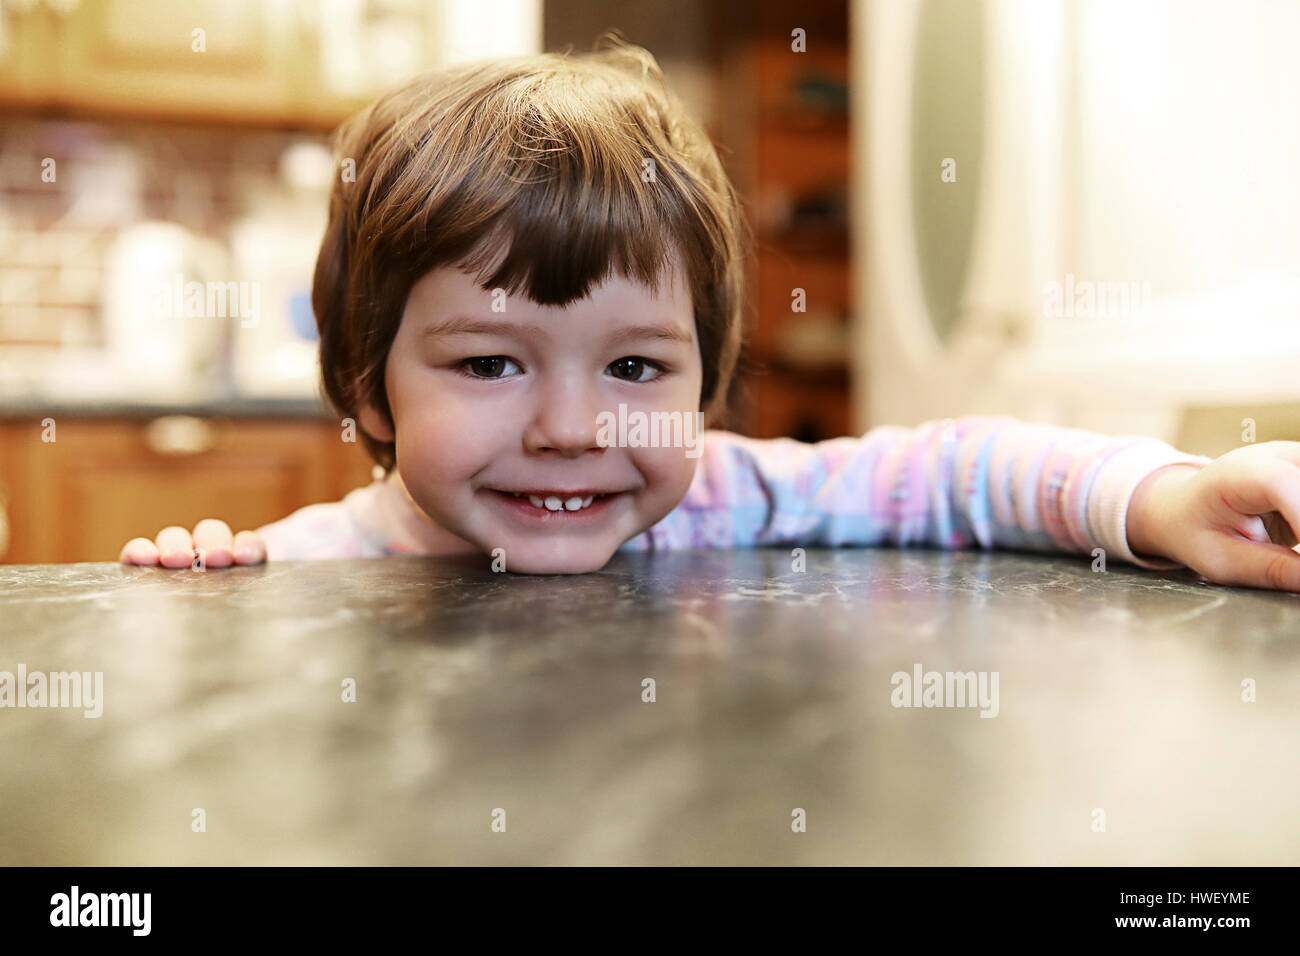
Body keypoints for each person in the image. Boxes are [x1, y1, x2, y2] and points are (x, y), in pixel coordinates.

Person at [120, 40, 1300, 586]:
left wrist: (1168, 499)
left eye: (636, 369)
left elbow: (960, 468)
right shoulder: (316, 569)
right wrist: (209, 581)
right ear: (370, 384)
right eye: (489, 363)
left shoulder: (732, 497)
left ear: (704, 374)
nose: (576, 430)